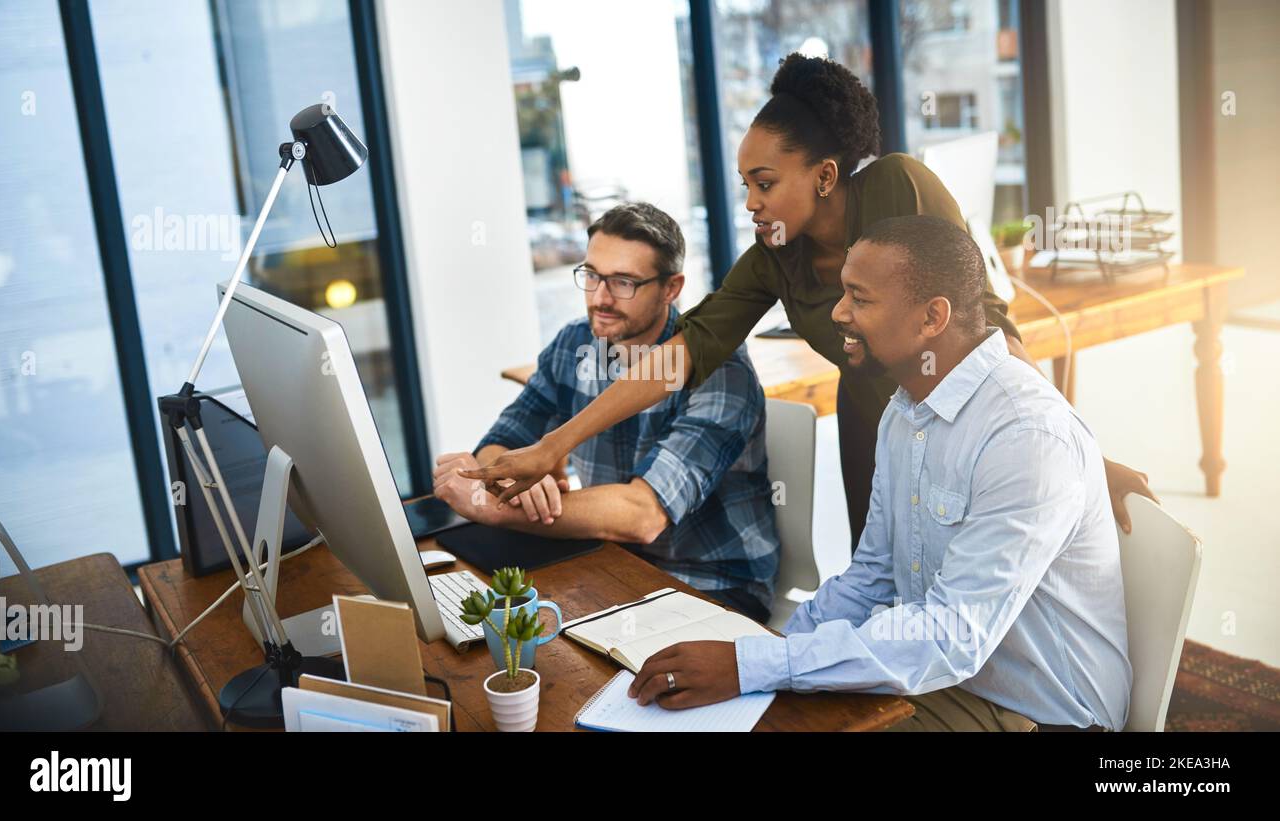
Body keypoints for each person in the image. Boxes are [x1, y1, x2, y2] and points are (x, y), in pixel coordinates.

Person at [461, 53, 1156, 548]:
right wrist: (552, 444)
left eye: (764, 182)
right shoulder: (774, 258)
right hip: (877, 420)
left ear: (825, 176)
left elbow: (986, 334)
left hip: (971, 412)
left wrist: (1080, 452)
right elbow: (677, 358)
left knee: (983, 582)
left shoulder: (895, 188)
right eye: (744, 185)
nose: (751, 202)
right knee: (883, 586)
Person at [625, 216, 1132, 732]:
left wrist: (755, 667)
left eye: (860, 299)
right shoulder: (906, 409)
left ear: (933, 317)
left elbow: (953, 635)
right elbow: (872, 578)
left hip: (1042, 714)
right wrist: (769, 654)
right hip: (940, 678)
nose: (838, 313)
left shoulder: (1026, 437)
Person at [433, 203, 780, 624]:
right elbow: (503, 439)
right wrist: (509, 481)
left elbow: (642, 515)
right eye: (592, 275)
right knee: (481, 628)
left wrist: (495, 508)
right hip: (604, 558)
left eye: (623, 282)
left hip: (709, 584)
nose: (600, 297)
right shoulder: (574, 343)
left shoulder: (720, 371)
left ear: (671, 288)